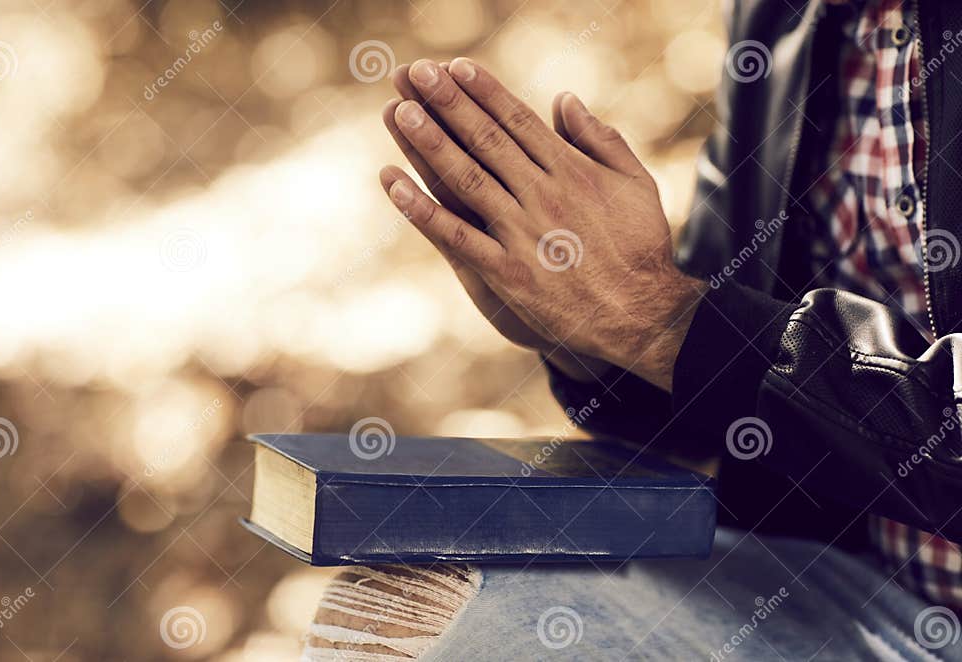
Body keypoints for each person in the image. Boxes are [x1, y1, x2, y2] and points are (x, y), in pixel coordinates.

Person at [303, 1, 962, 659]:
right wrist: (588, 332)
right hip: (831, 584)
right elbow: (718, 371)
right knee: (390, 611)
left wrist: (661, 320)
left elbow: (692, 327)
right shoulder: (778, 18)